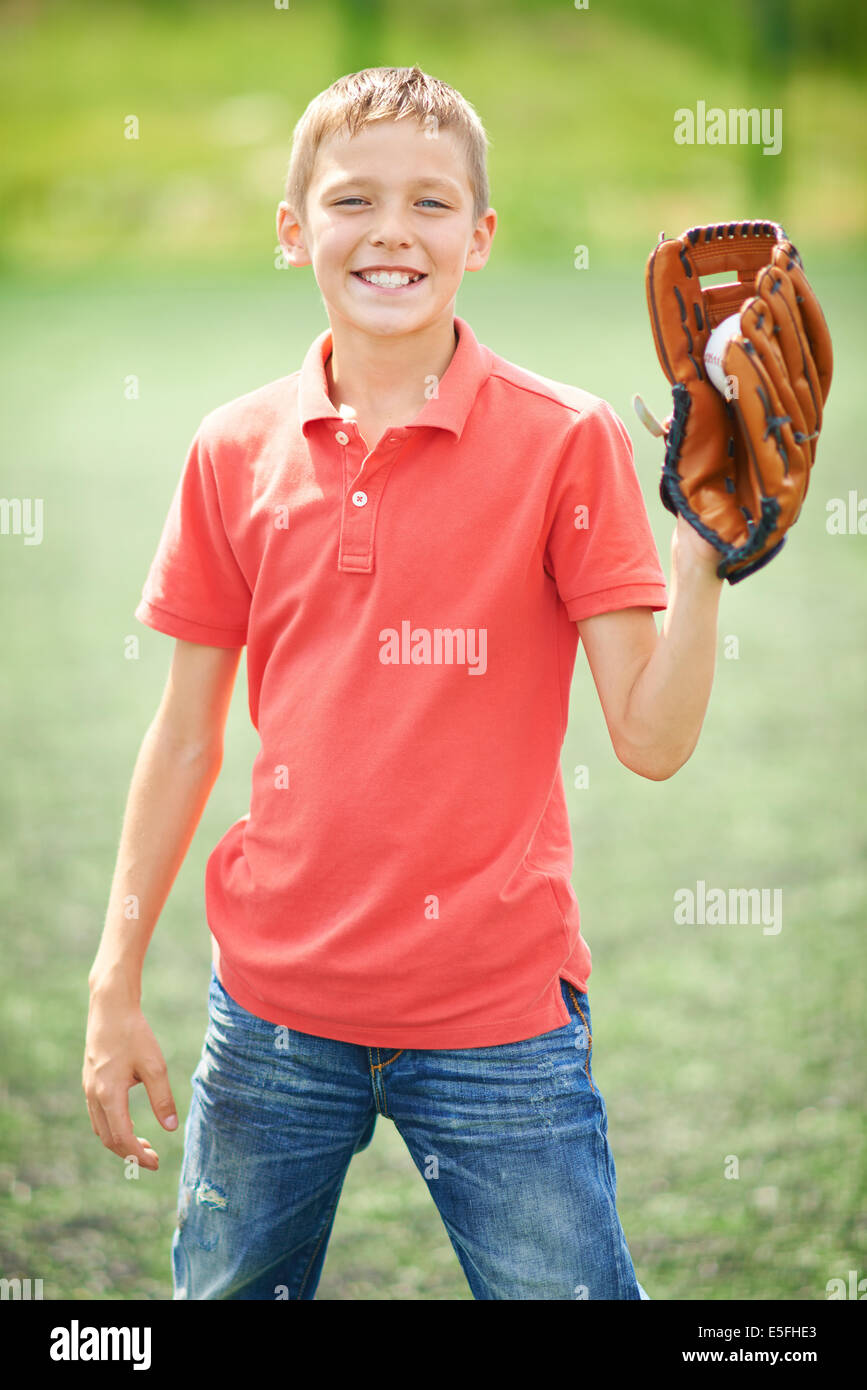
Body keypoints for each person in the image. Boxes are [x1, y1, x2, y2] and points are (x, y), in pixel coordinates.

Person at [83, 65, 724, 1300]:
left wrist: (701, 558)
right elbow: (181, 740)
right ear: (292, 230)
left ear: (480, 237)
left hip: (501, 1022)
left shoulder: (566, 438)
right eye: (352, 200)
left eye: (433, 204)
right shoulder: (232, 448)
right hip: (272, 1015)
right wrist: (113, 982)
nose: (392, 231)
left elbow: (649, 737)